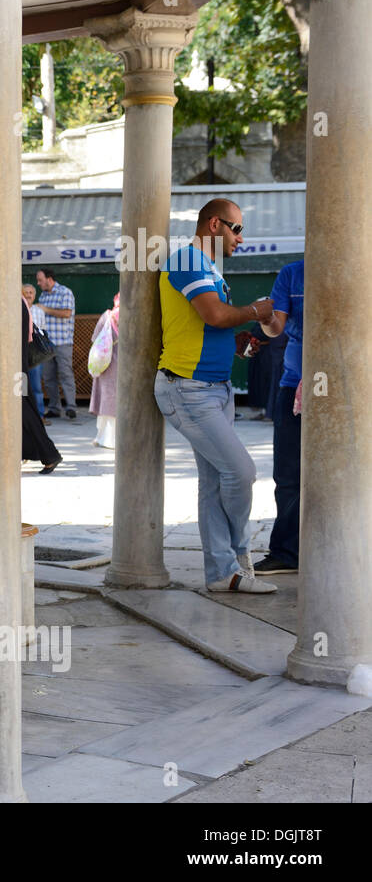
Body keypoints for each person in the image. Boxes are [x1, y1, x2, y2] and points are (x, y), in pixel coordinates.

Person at [153, 198, 275, 594]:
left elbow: (212, 324)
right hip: (188, 389)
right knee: (241, 472)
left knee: (213, 483)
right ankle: (239, 556)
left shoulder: (206, 267)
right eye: (236, 229)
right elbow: (215, 315)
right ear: (212, 225)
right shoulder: (187, 261)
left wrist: (235, 342)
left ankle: (221, 575)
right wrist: (256, 311)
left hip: (214, 388)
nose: (241, 237)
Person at [255, 259, 303, 575]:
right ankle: (287, 552)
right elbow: (276, 328)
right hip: (294, 383)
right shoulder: (292, 273)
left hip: (353, 385)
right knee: (288, 474)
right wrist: (266, 317)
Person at [22, 296, 61, 473]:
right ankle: (26, 452)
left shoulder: (14, 301)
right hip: (15, 369)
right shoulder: (20, 300)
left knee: (23, 409)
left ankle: (50, 454)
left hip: (13, 371)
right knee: (22, 409)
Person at [36, 267, 77, 419]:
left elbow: (66, 313)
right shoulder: (43, 296)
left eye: (40, 280)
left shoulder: (65, 292)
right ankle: (54, 408)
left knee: (65, 374)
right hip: (46, 344)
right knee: (48, 377)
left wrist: (45, 309)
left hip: (62, 342)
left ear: (49, 279)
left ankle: (71, 407)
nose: (38, 283)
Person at [89, 293, 120, 449]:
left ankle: (104, 438)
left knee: (107, 401)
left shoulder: (108, 316)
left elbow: (95, 338)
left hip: (107, 364)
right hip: (128, 366)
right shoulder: (135, 316)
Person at [22, 283, 47, 421]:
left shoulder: (39, 311)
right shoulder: (17, 308)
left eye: (31, 292)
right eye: (26, 292)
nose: (29, 295)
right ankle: (23, 415)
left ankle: (40, 415)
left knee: (36, 385)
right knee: (22, 383)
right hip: (20, 351)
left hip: (34, 352)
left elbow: (42, 331)